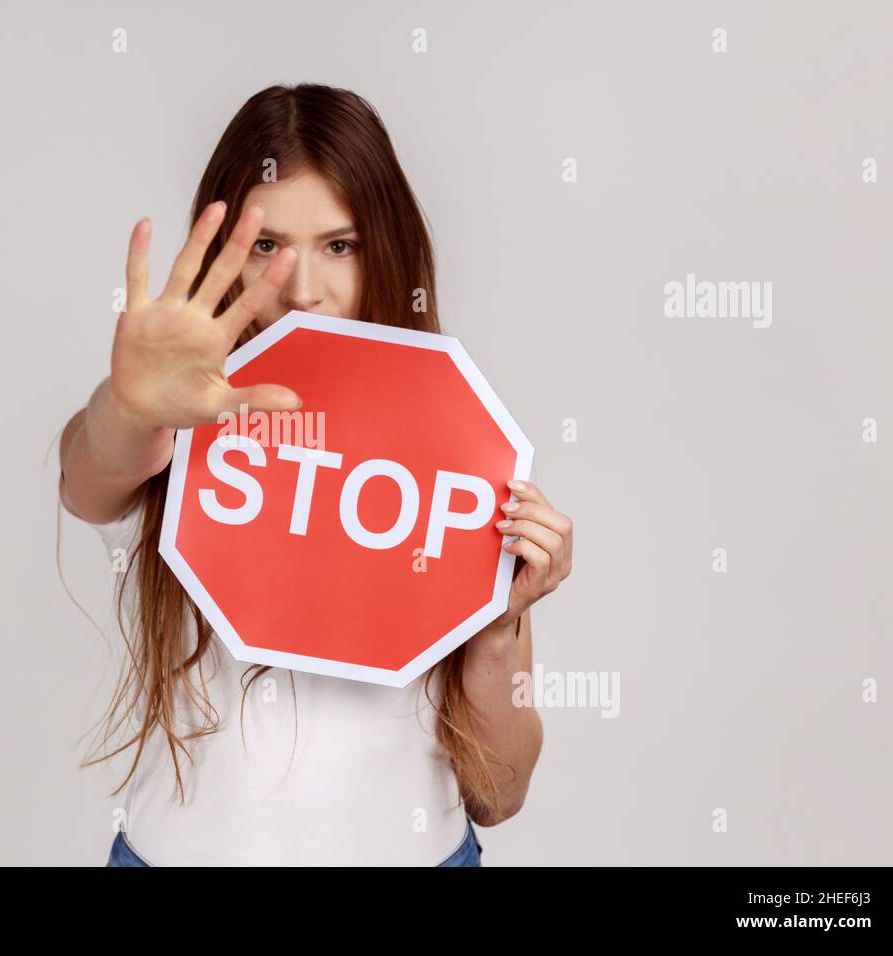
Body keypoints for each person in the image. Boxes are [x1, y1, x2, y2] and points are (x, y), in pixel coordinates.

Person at [58, 84, 574, 866]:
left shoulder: (458, 452)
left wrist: (499, 627)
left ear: (387, 250)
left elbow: (498, 797)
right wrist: (130, 409)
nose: (303, 290)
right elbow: (86, 480)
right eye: (269, 246)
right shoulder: (183, 417)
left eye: (341, 245)